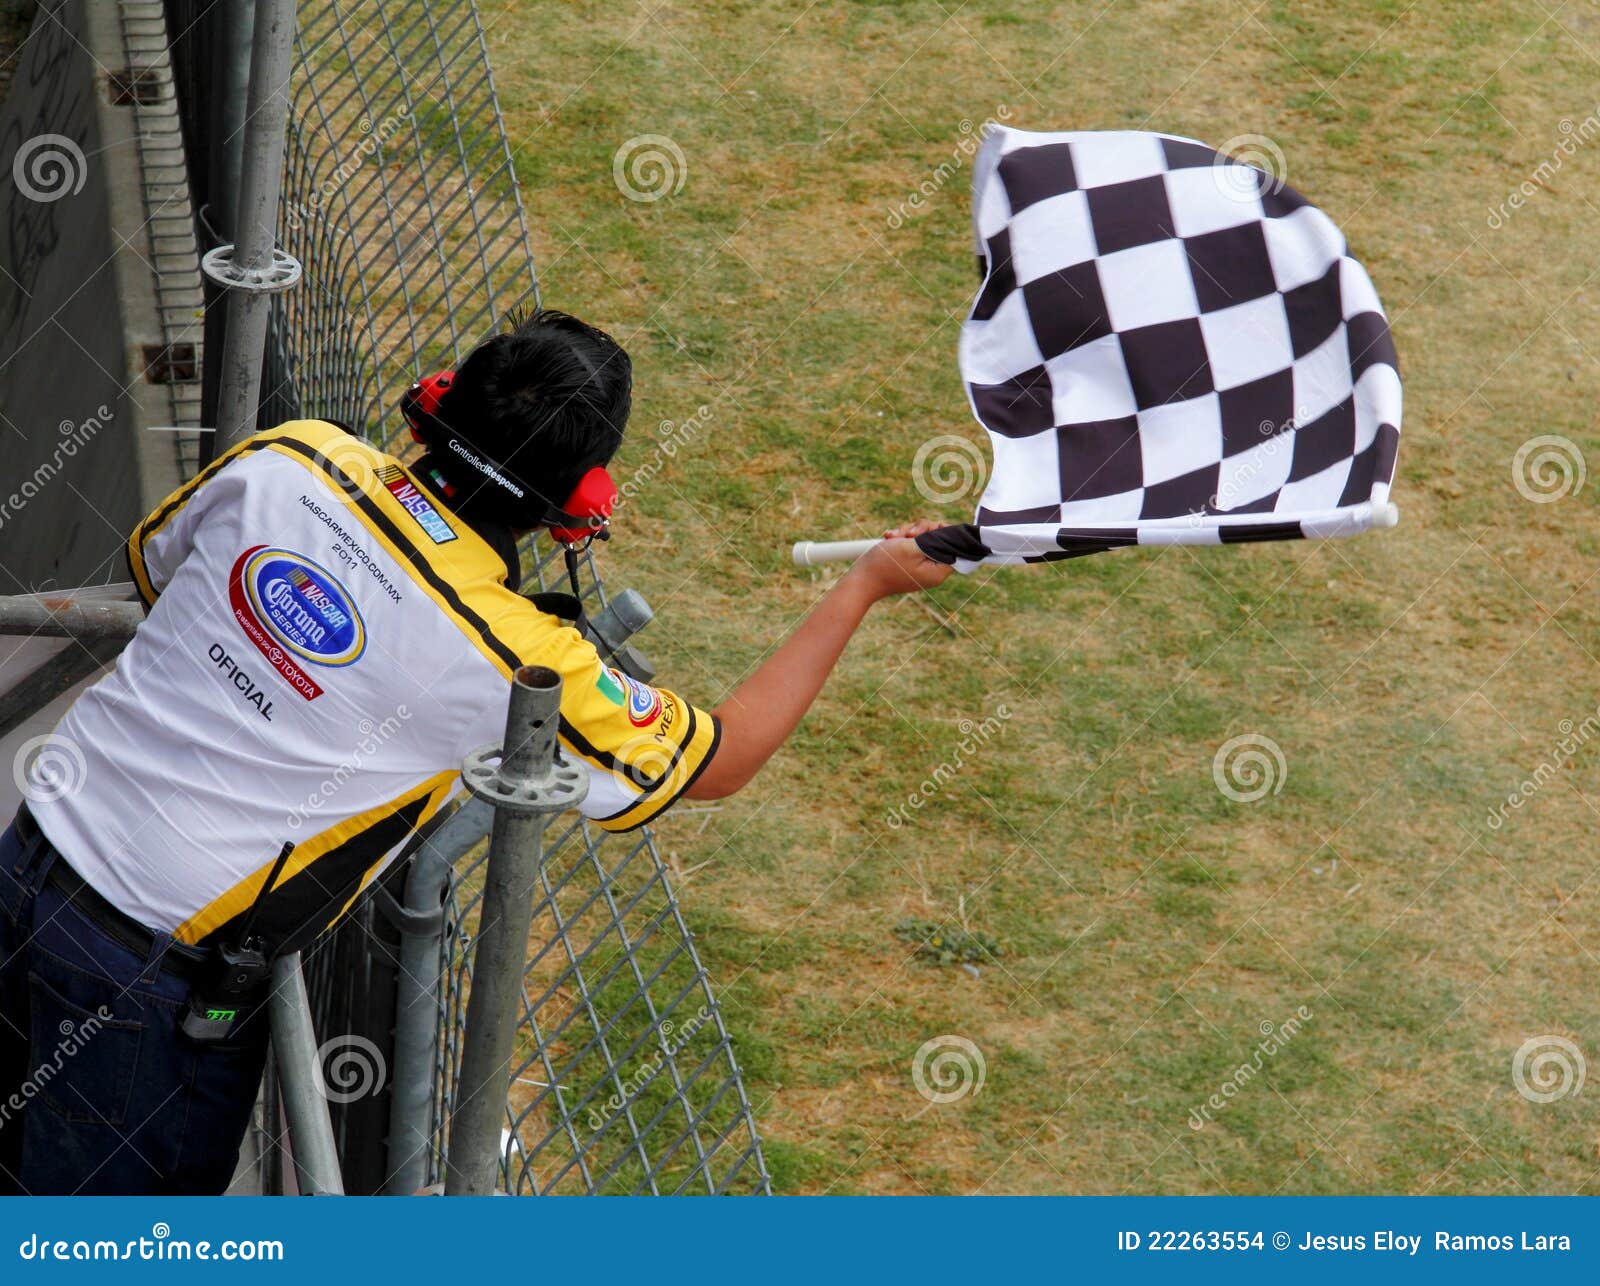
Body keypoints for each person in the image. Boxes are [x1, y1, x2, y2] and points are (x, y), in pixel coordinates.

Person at [0, 308, 952, 1195]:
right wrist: (862, 584)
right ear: (584, 500)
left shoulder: (293, 458)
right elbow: (720, 759)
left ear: (440, 392)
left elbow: (156, 572)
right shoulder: (524, 659)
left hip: (27, 854)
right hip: (145, 989)